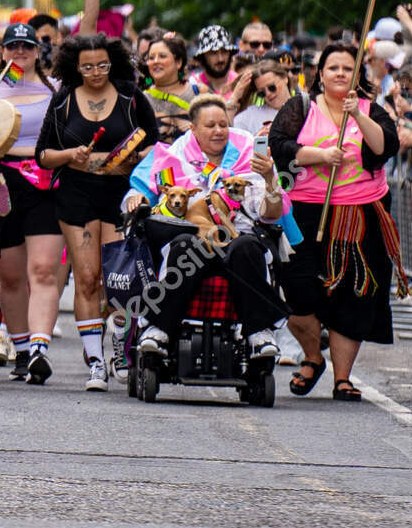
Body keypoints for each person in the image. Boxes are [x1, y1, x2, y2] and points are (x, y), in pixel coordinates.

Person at [268, 41, 405, 402]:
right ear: (321, 74)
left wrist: (358, 116)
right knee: (297, 287)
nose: (341, 74)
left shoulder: (372, 110)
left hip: (360, 213)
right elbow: (279, 146)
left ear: (357, 74)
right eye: (334, 68)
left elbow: (385, 147)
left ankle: (342, 377)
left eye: (348, 68)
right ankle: (313, 357)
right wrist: (319, 155)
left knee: (354, 293)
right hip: (305, 212)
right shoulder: (300, 108)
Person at [123, 94, 288, 363]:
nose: (218, 131)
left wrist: (270, 179)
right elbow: (143, 188)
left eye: (223, 124)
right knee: (184, 245)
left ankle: (260, 333)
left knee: (247, 247)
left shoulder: (249, 153)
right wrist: (135, 198)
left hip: (236, 239)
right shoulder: (174, 155)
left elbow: (270, 214)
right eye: (210, 126)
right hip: (193, 238)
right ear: (193, 128)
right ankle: (158, 329)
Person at [34, 34, 157, 390]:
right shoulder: (63, 101)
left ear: (113, 63)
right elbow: (42, 154)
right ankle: (95, 362)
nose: (95, 72)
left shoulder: (132, 98)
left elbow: (156, 142)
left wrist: (136, 157)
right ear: (76, 67)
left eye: (102, 65)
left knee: (116, 281)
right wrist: (70, 155)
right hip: (76, 195)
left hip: (121, 195)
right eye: (87, 66)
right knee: (87, 278)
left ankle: (120, 342)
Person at [0, 22, 55, 381]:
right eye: (12, 46)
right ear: (3, 51)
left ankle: (40, 347)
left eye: (27, 46)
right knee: (10, 275)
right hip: (2, 185)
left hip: (44, 186)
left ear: (37, 51)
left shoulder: (54, 90)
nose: (20, 52)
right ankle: (22, 346)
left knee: (43, 269)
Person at [143, 33, 199, 144]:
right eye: (151, 58)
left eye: (162, 56)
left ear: (178, 62)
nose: (155, 61)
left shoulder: (198, 92)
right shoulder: (142, 99)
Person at [190, 25, 239, 97]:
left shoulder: (238, 82)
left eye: (224, 51)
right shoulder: (193, 85)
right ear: (203, 56)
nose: (220, 59)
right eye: (213, 53)